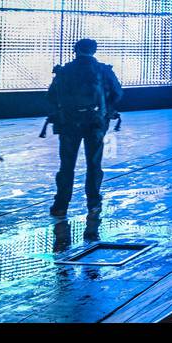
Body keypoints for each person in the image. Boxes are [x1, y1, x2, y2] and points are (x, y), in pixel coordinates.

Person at [47, 38, 124, 216]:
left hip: (68, 124)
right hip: (95, 123)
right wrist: (106, 111)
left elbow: (51, 96)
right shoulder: (103, 70)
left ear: (75, 50)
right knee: (94, 163)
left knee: (66, 165)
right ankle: (94, 203)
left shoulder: (64, 70)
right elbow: (118, 93)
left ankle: (60, 205)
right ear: (94, 51)